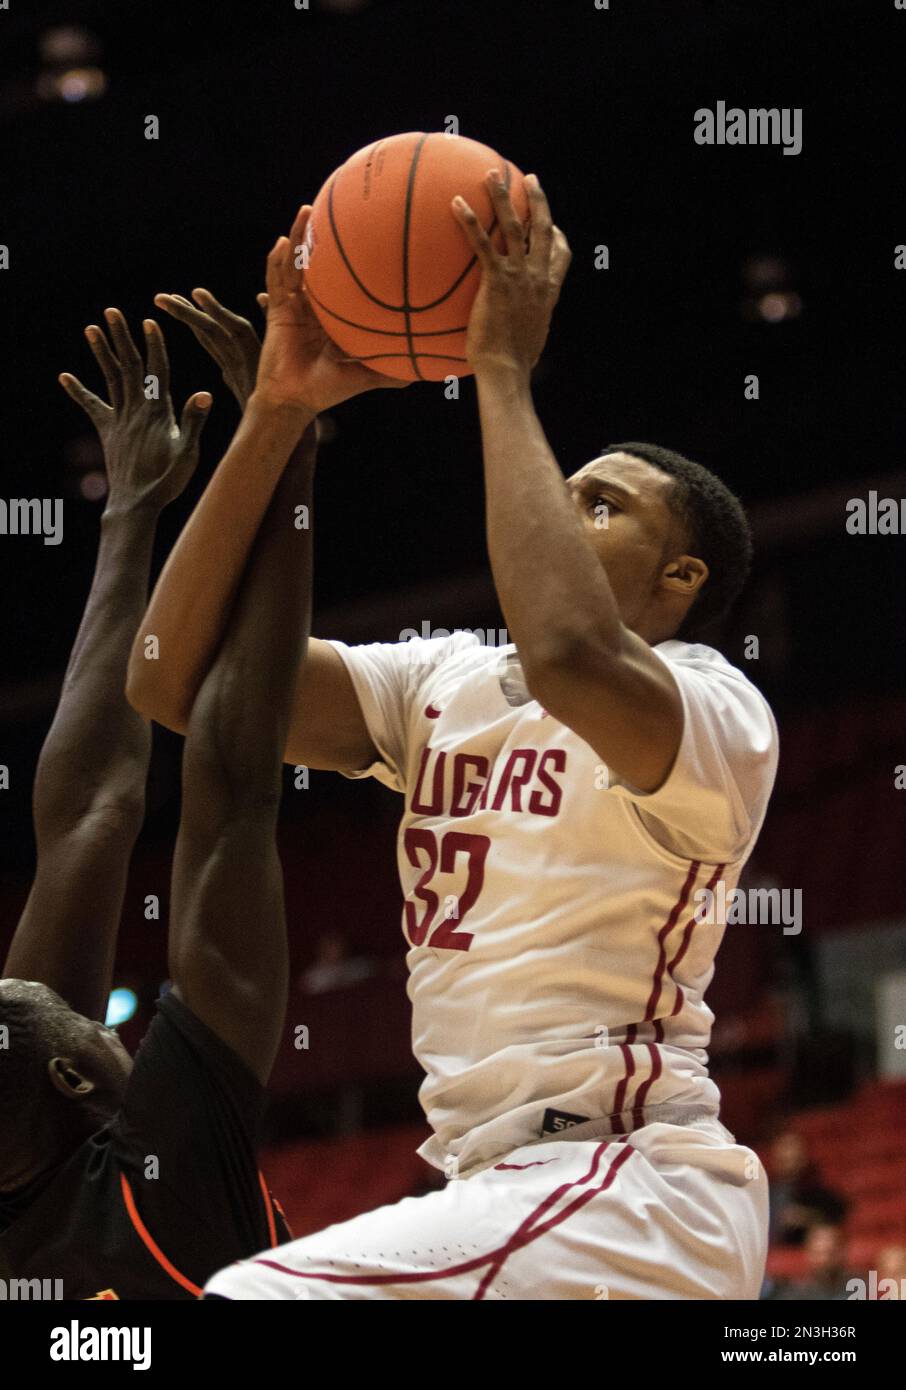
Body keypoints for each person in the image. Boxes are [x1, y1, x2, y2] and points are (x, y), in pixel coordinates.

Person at [130, 178, 779, 1300]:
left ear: (683, 580)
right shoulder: (444, 680)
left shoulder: (714, 709)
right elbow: (174, 682)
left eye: (603, 506)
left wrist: (501, 371)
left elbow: (575, 649)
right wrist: (277, 415)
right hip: (495, 1183)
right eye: (564, 491)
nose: (561, 510)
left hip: (627, 1181)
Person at [0, 258, 317, 1298]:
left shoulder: (33, 1180)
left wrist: (130, 511)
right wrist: (283, 441)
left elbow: (92, 812)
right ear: (78, 1070)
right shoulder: (160, 1182)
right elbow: (230, 789)